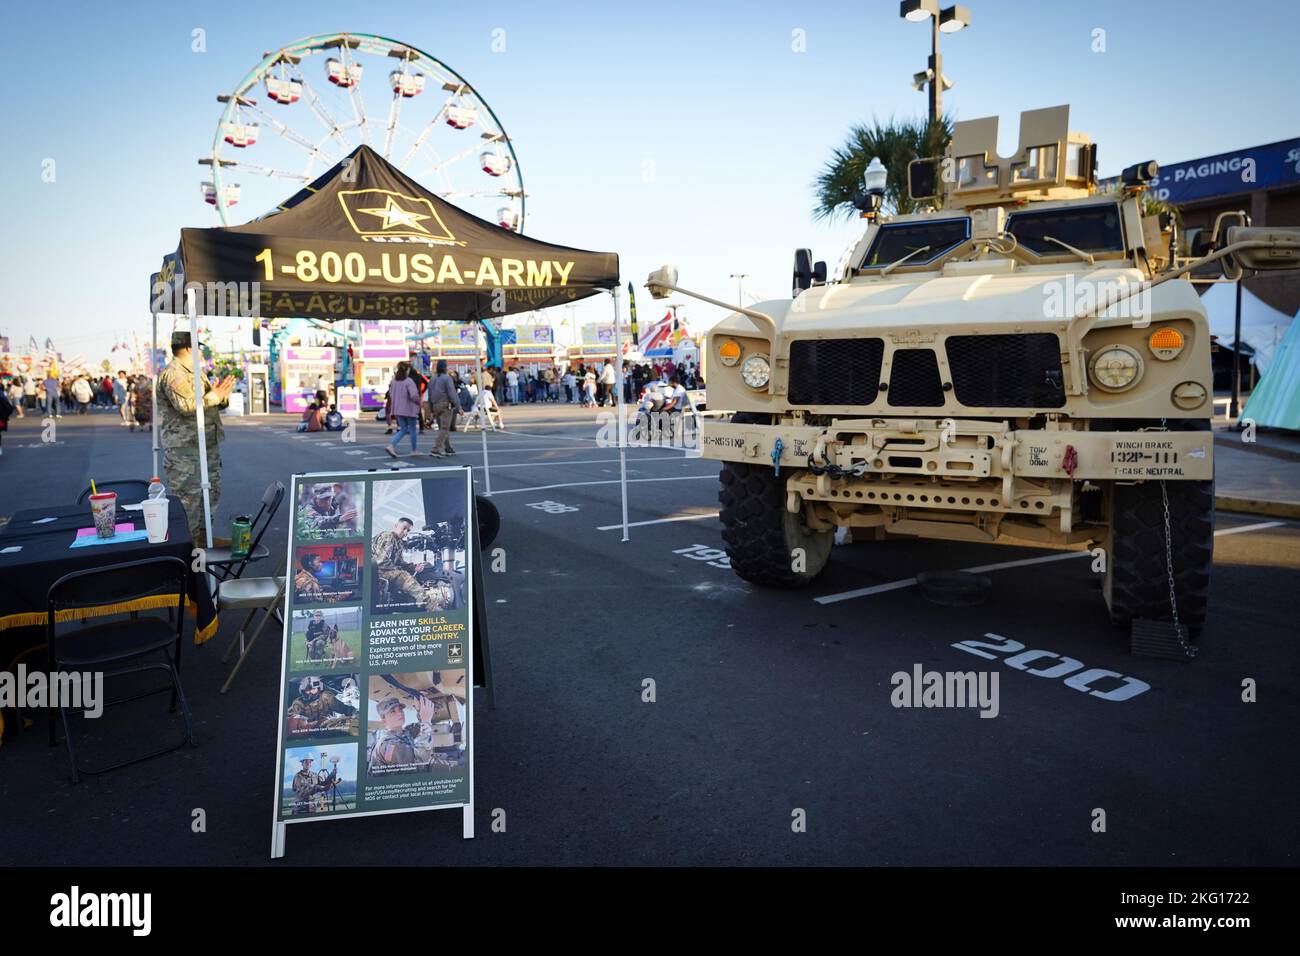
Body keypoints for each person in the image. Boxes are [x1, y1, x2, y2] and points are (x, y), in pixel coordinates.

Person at [158, 332, 234, 543]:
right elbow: (186, 406)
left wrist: (221, 396)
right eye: (198, 348)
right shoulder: (174, 374)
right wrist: (214, 396)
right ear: (190, 349)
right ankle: (188, 547)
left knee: (209, 495)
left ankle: (204, 538)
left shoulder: (194, 372)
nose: (200, 352)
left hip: (204, 445)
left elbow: (209, 401)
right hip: (185, 449)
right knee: (187, 500)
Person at [371, 517, 453, 612]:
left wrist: (414, 567)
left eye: (408, 530)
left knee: (407, 574)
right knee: (403, 576)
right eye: (404, 528)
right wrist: (402, 571)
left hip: (384, 571)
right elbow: (381, 562)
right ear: (396, 526)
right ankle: (432, 607)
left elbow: (400, 562)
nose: (405, 532)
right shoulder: (388, 536)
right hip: (376, 572)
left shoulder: (399, 542)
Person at [369, 697, 441, 775]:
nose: (400, 713)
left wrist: (420, 709)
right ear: (384, 721)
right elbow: (416, 769)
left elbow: (417, 728)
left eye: (400, 709)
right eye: (393, 712)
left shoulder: (403, 733)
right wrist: (426, 722)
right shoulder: (390, 744)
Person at [384, 362, 421, 458]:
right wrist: (418, 402)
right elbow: (414, 395)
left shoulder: (394, 382)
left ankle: (391, 445)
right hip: (409, 409)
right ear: (406, 370)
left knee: (403, 429)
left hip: (398, 409)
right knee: (412, 429)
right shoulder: (409, 381)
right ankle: (414, 450)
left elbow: (391, 395)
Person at [426, 359, 458, 457]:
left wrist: (431, 409)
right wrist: (458, 405)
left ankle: (448, 447)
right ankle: (436, 448)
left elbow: (430, 395)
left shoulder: (432, 379)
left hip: (435, 405)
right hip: (445, 405)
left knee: (443, 427)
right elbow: (452, 393)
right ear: (445, 367)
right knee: (445, 428)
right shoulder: (447, 378)